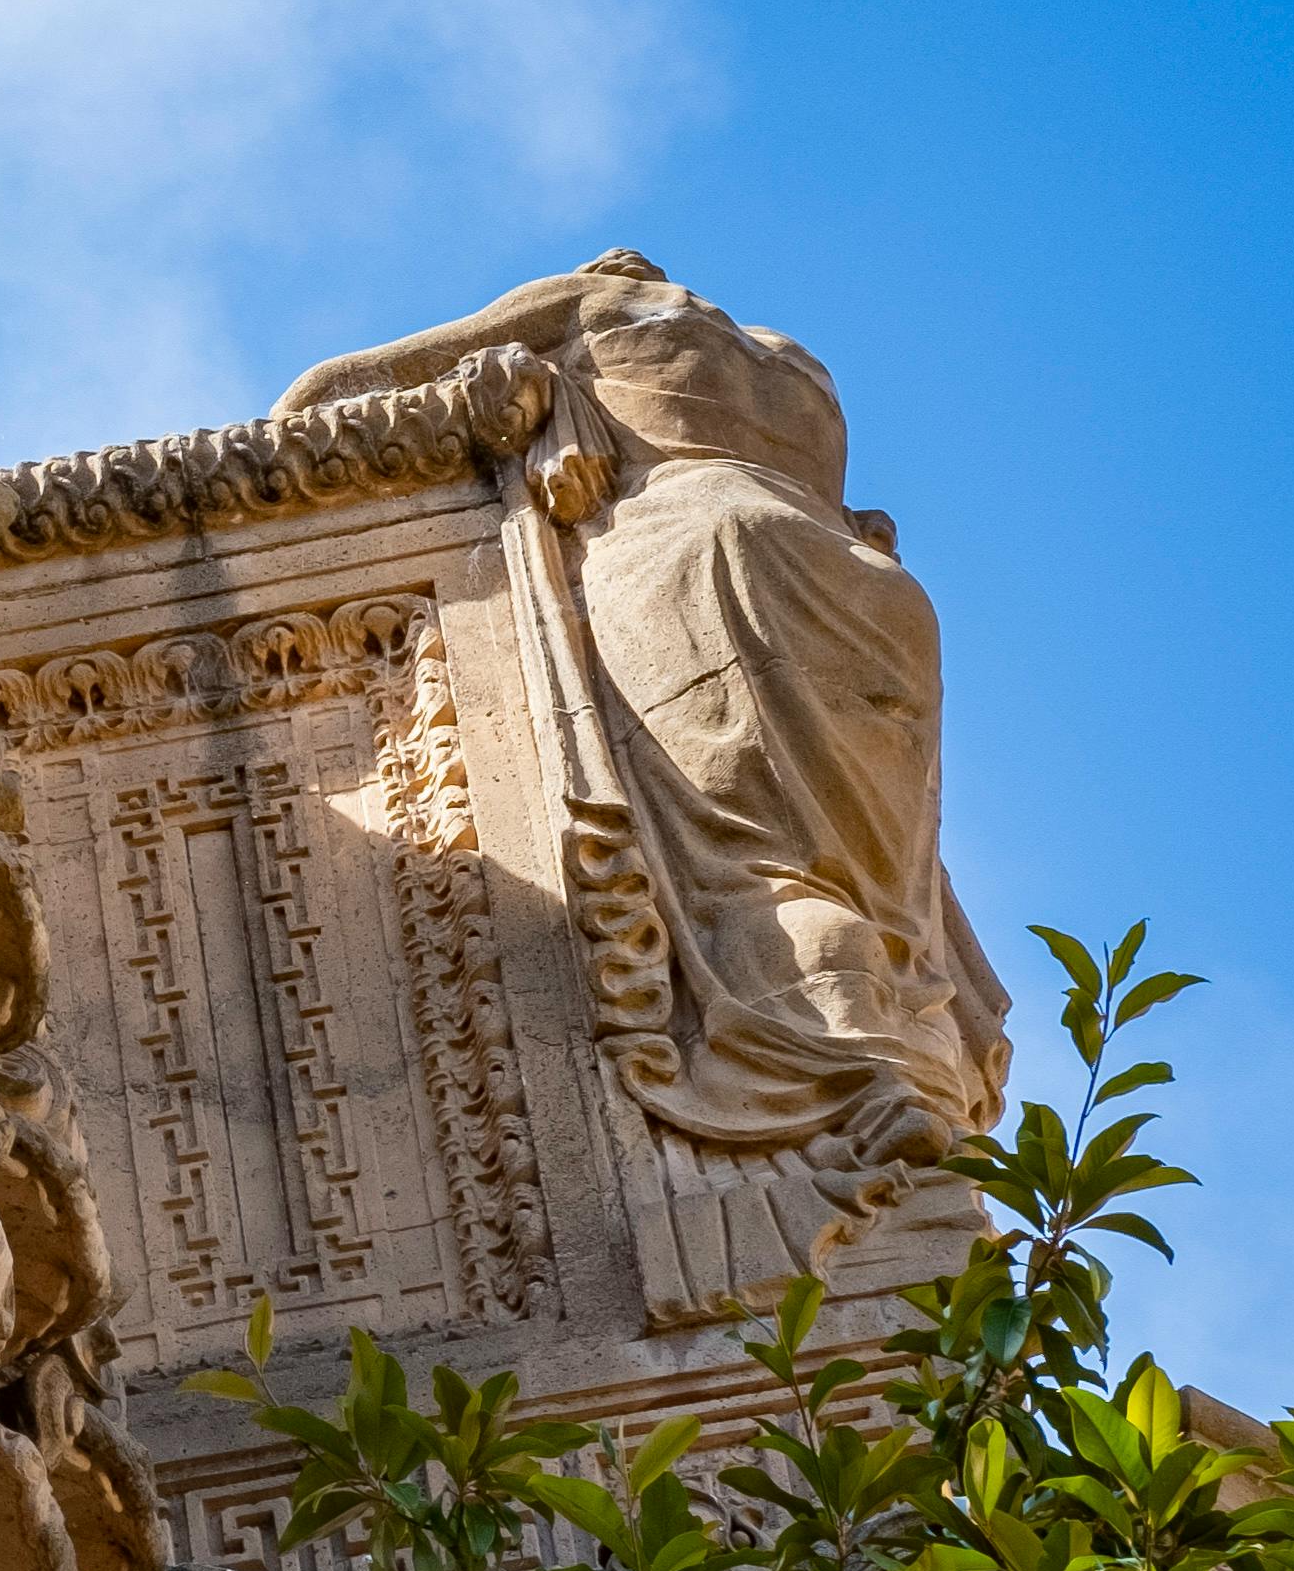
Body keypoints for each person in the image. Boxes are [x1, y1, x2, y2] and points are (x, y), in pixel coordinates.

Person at [281, 251, 1011, 1173]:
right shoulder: (796, 366)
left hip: (708, 553)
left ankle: (854, 1089)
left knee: (747, 869)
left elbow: (320, 396)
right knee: (880, 890)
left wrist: (521, 368)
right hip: (874, 594)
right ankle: (917, 1081)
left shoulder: (600, 302)